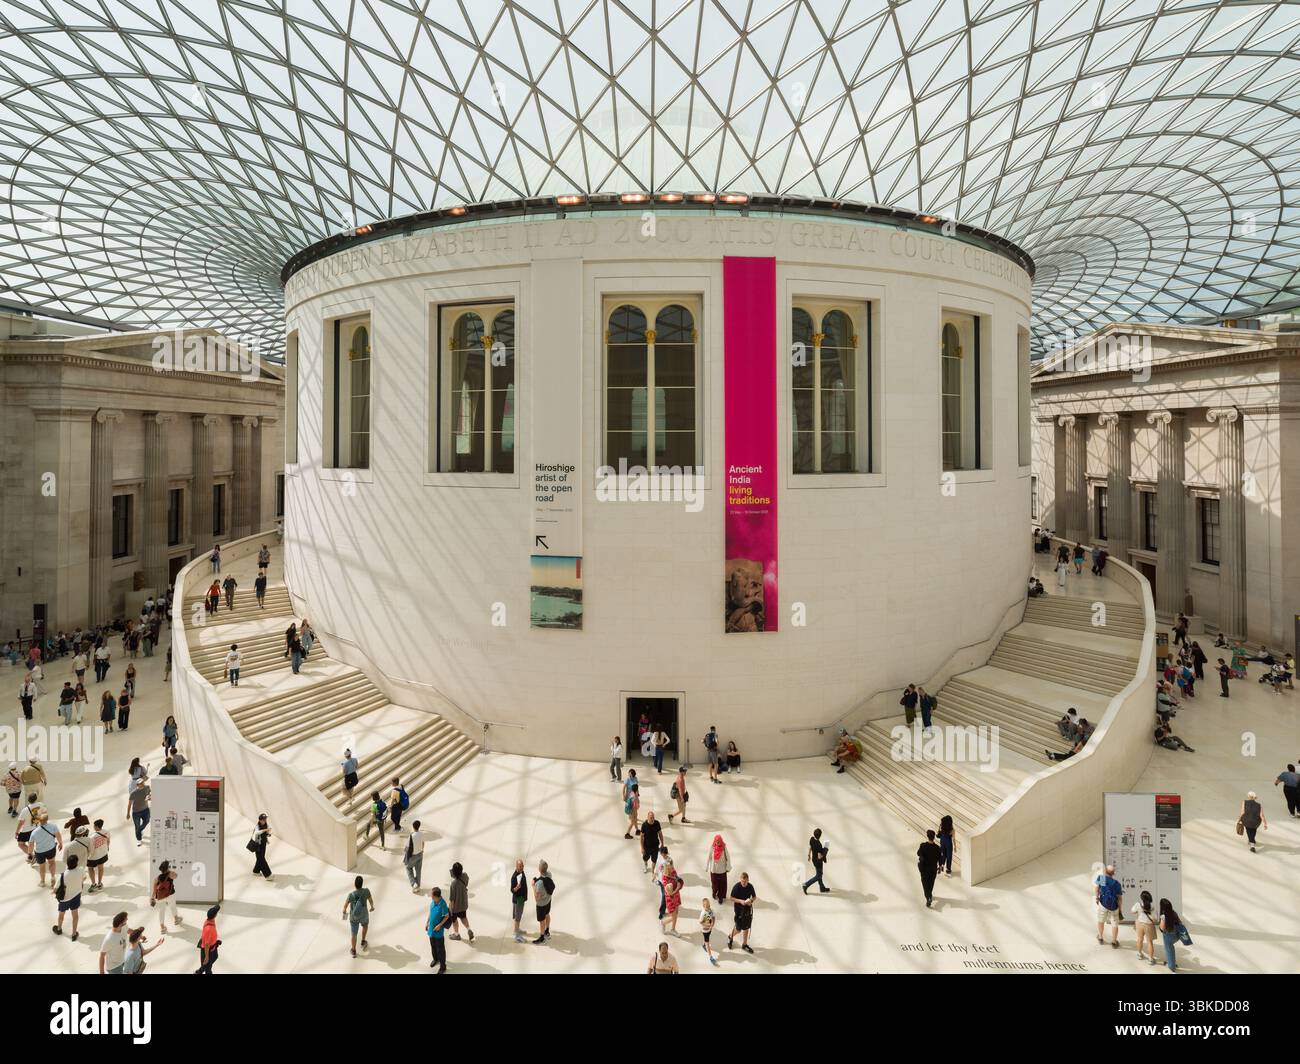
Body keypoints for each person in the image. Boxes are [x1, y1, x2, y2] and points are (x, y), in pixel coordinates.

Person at [53, 852, 85, 940]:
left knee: (61, 915)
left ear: (67, 863)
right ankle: (74, 934)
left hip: (65, 899)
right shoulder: (81, 870)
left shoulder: (63, 875)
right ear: (77, 863)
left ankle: (59, 928)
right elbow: (84, 878)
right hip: (76, 896)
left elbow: (55, 889)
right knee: (75, 915)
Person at [343, 875, 374, 957]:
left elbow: (345, 906)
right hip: (364, 915)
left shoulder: (351, 895)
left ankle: (353, 950)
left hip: (354, 917)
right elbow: (371, 900)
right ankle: (363, 941)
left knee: (354, 934)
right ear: (362, 884)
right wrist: (372, 907)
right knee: (365, 926)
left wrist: (344, 912)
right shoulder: (366, 891)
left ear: (355, 884)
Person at [1094, 863, 1123, 947]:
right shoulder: (1117, 884)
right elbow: (1120, 898)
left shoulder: (1102, 878)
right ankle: (1114, 942)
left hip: (1103, 903)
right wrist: (1120, 909)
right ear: (1113, 873)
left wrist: (1097, 898)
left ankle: (1100, 937)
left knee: (1101, 921)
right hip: (1114, 906)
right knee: (1114, 924)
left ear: (1105, 871)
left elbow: (1096, 889)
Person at [726, 872, 756, 952]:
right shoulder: (736, 887)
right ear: (740, 880)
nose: (743, 883)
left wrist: (751, 901)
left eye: (745, 881)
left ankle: (744, 944)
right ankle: (730, 936)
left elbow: (754, 897)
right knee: (738, 928)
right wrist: (740, 901)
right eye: (742, 881)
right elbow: (731, 898)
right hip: (739, 911)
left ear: (748, 880)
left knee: (746, 927)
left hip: (747, 910)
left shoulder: (750, 886)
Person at [32, 813, 61, 887]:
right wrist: (60, 843)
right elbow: (58, 835)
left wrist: (29, 853)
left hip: (39, 852)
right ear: (47, 820)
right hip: (51, 849)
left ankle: (42, 882)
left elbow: (31, 843)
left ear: (39, 820)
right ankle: (53, 877)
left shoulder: (35, 831)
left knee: (42, 866)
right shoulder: (53, 826)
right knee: (52, 863)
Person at [447, 862, 474, 941]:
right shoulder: (465, 876)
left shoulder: (453, 884)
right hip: (463, 903)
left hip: (455, 907)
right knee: (463, 917)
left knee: (454, 921)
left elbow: (452, 899)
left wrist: (451, 910)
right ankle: (469, 929)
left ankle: (456, 934)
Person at [151, 861, 180, 934]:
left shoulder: (157, 878)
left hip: (160, 897)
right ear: (167, 868)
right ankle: (176, 919)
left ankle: (162, 927)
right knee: (173, 906)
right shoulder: (170, 874)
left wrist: (152, 898)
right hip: (170, 895)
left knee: (161, 911)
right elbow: (176, 875)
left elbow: (154, 890)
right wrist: (169, 871)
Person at [1131, 890, 1158, 966]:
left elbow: (1132, 911)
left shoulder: (1138, 904)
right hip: (1148, 925)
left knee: (1139, 939)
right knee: (1149, 942)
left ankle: (1140, 954)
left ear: (1142, 898)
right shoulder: (1152, 907)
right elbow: (1155, 919)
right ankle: (1150, 959)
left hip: (1139, 923)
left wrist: (1138, 912)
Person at [426, 887, 450, 972]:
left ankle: (443, 966)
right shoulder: (433, 902)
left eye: (432, 895)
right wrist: (427, 922)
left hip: (438, 932)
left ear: (437, 896)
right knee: (433, 946)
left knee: (440, 949)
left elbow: (446, 916)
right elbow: (430, 912)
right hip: (431, 930)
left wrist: (440, 925)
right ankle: (435, 959)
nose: (431, 897)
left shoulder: (443, 904)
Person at [917, 830, 943, 908]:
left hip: (924, 868)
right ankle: (929, 895)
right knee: (931, 883)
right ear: (934, 837)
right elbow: (940, 859)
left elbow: (918, 853)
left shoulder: (923, 845)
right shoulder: (937, 848)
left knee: (924, 882)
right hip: (933, 869)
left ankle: (928, 897)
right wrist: (940, 867)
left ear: (927, 836)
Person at [1158, 898, 1185, 972]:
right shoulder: (1174, 913)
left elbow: (1162, 928)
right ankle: (1171, 962)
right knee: (1171, 950)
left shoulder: (1163, 916)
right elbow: (1179, 922)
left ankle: (1171, 966)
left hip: (1168, 936)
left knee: (1169, 950)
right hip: (1176, 935)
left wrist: (1160, 922)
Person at [532, 860, 554, 944]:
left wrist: (533, 886)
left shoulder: (539, 884)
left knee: (542, 921)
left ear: (539, 869)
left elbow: (537, 898)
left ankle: (542, 938)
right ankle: (547, 932)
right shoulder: (549, 874)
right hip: (548, 900)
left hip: (541, 905)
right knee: (547, 914)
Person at [706, 833, 730, 904]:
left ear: (721, 841)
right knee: (714, 885)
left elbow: (728, 858)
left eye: (719, 841)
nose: (718, 843)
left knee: (722, 885)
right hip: (714, 870)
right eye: (716, 841)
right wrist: (707, 866)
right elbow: (709, 857)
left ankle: (720, 897)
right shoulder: (712, 847)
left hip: (722, 870)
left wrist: (728, 867)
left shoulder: (724, 847)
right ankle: (714, 892)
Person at [196, 905, 221, 974]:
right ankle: (200, 971)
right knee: (208, 970)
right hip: (207, 950)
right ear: (215, 915)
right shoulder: (209, 929)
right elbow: (207, 944)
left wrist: (215, 942)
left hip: (213, 946)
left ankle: (201, 970)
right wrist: (206, 957)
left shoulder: (210, 920)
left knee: (215, 957)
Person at [86, 820, 109, 892]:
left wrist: (88, 856)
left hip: (94, 856)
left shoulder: (92, 837)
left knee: (90, 868)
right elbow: (108, 841)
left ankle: (93, 884)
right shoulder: (106, 832)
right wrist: (106, 848)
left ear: (96, 826)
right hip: (103, 853)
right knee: (101, 868)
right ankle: (99, 883)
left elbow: (91, 849)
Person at [661, 860, 683, 934]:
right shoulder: (665, 880)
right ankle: (665, 923)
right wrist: (677, 888)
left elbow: (677, 879)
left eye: (672, 867)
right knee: (674, 916)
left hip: (676, 896)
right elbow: (670, 894)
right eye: (670, 868)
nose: (672, 869)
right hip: (671, 899)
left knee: (676, 913)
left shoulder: (673, 872)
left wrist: (679, 882)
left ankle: (670, 927)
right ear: (667, 869)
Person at [127, 776, 150, 846]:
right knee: (137, 826)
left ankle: (139, 830)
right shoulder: (133, 793)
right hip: (136, 812)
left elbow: (150, 794)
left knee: (147, 821)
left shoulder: (147, 787)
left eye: (143, 782)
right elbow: (129, 804)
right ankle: (139, 839)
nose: (143, 784)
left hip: (145, 809)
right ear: (137, 785)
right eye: (141, 783)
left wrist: (149, 797)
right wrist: (128, 813)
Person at [510, 859, 528, 943]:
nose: (522, 867)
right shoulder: (514, 877)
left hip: (521, 899)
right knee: (517, 917)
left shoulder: (521, 872)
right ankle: (516, 935)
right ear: (516, 866)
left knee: (518, 916)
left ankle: (517, 929)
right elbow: (512, 890)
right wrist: (516, 888)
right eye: (520, 866)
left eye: (522, 866)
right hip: (518, 900)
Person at [404, 820, 424, 892]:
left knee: (408, 868)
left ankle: (413, 884)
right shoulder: (421, 834)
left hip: (413, 856)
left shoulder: (411, 836)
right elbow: (423, 843)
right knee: (418, 871)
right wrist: (421, 851)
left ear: (413, 827)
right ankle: (418, 885)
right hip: (420, 854)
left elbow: (407, 847)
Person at [251, 813, 273, 879]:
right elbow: (257, 832)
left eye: (265, 819)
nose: (265, 820)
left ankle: (256, 871)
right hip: (257, 845)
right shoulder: (257, 826)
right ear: (260, 820)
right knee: (262, 859)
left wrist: (268, 834)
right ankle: (268, 875)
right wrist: (265, 830)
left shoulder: (266, 825)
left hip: (263, 844)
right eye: (264, 819)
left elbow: (266, 833)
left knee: (260, 858)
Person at [699, 898, 719, 966]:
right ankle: (711, 957)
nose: (708, 907)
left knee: (707, 939)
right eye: (706, 906)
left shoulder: (711, 910)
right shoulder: (703, 913)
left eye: (709, 905)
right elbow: (700, 922)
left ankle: (704, 945)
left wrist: (712, 925)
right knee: (707, 942)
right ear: (703, 906)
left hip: (709, 929)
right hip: (705, 930)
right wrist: (707, 925)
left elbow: (713, 917)